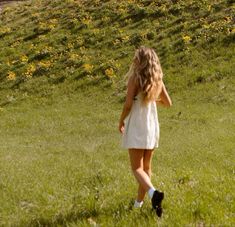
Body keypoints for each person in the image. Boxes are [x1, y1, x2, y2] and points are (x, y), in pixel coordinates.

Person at [118, 46, 172, 217]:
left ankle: (153, 193)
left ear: (139, 61)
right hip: (151, 126)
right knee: (146, 168)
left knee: (136, 168)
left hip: (137, 126)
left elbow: (127, 104)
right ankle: (138, 205)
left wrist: (121, 120)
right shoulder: (158, 79)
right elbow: (168, 103)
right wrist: (153, 101)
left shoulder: (135, 78)